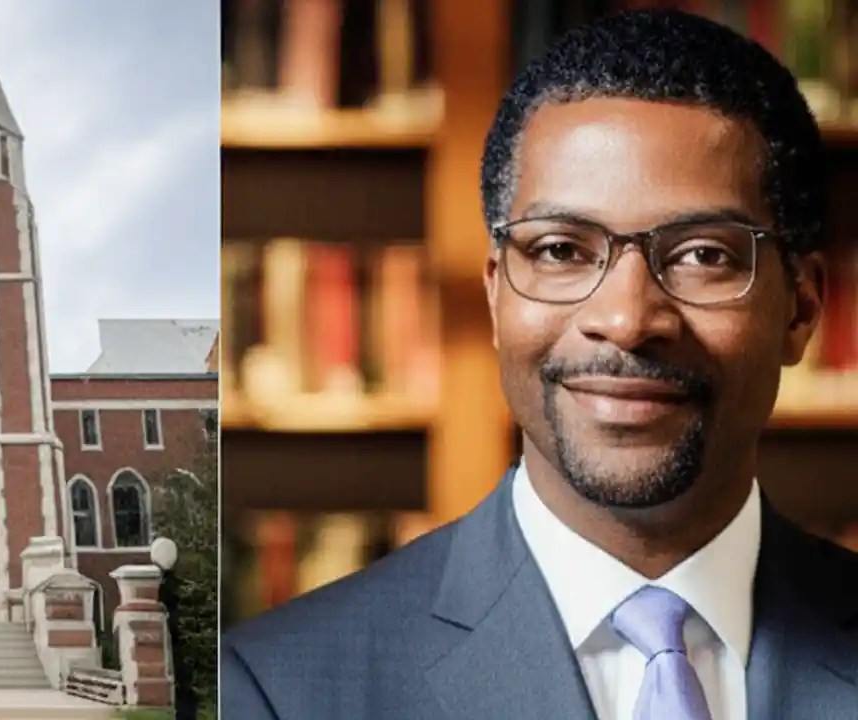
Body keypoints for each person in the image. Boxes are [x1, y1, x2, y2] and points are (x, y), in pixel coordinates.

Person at [220, 10, 858, 720]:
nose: (625, 319)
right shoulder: (274, 691)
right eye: (561, 250)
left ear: (800, 310)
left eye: (703, 254)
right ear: (495, 295)